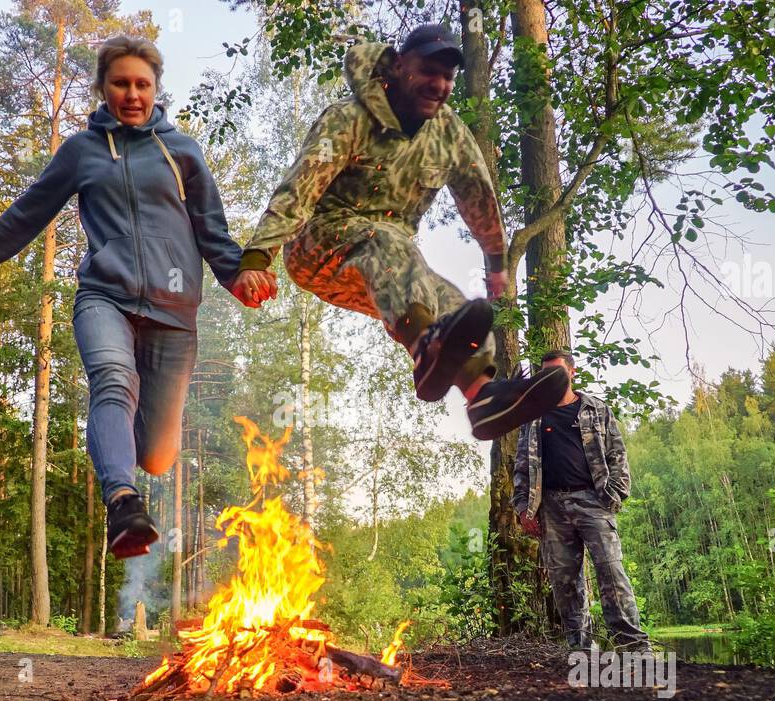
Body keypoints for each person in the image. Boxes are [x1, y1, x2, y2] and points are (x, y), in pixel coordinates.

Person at [0, 36, 275, 559]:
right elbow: (26, 216)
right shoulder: (82, 152)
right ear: (102, 88)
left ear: (156, 89)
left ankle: (130, 461)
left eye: (142, 84)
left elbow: (212, 229)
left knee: (159, 456)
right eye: (121, 83)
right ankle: (122, 501)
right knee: (112, 382)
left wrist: (238, 278)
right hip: (104, 298)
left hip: (173, 313)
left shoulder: (182, 151)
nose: (132, 94)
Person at [228, 22, 566, 440]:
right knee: (387, 243)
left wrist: (497, 264)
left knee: (451, 301)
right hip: (319, 245)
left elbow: (478, 194)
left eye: (447, 78)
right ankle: (426, 348)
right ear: (400, 65)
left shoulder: (448, 133)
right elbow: (300, 186)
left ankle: (482, 398)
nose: (438, 85)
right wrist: (258, 259)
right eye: (428, 72)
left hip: (386, 267)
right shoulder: (348, 119)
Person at [512, 350, 651, 651]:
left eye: (558, 372)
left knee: (611, 572)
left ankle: (633, 646)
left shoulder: (595, 409)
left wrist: (614, 495)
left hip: (593, 501)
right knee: (565, 583)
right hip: (551, 506)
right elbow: (522, 464)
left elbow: (618, 456)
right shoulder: (533, 417)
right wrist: (524, 508)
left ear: (572, 373)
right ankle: (581, 649)